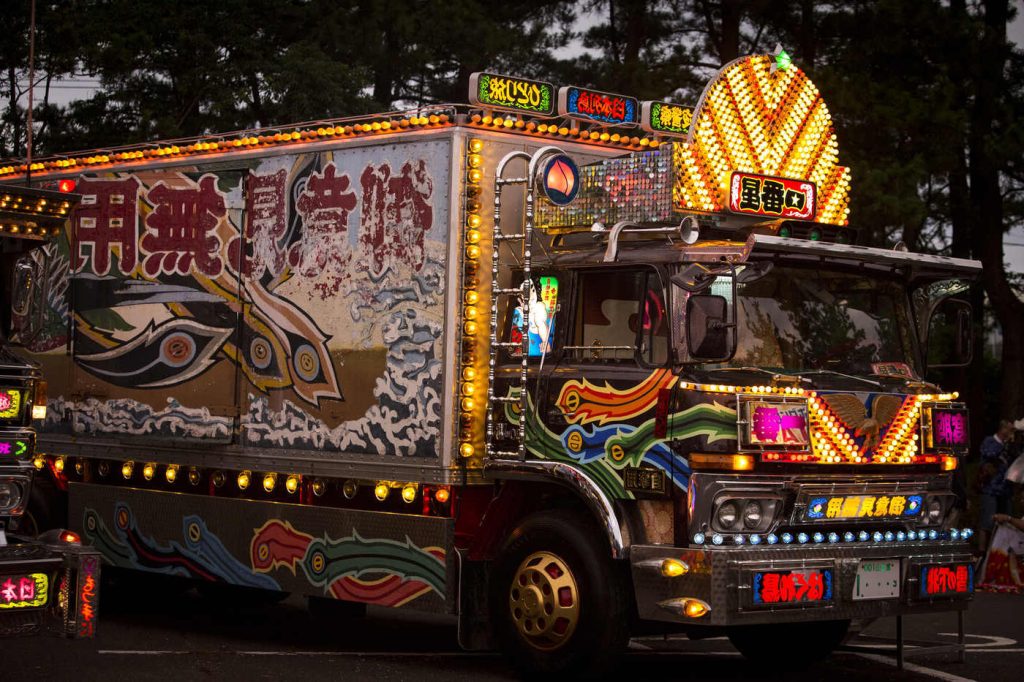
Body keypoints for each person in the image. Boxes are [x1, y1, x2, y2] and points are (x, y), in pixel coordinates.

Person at [977, 419, 1018, 551]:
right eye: (1009, 429)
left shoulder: (1010, 445)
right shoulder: (990, 441)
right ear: (1003, 429)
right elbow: (989, 454)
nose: (1011, 433)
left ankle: (1002, 550)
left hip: (1005, 489)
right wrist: (1004, 445)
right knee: (987, 522)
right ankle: (982, 552)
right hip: (990, 488)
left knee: (1006, 522)